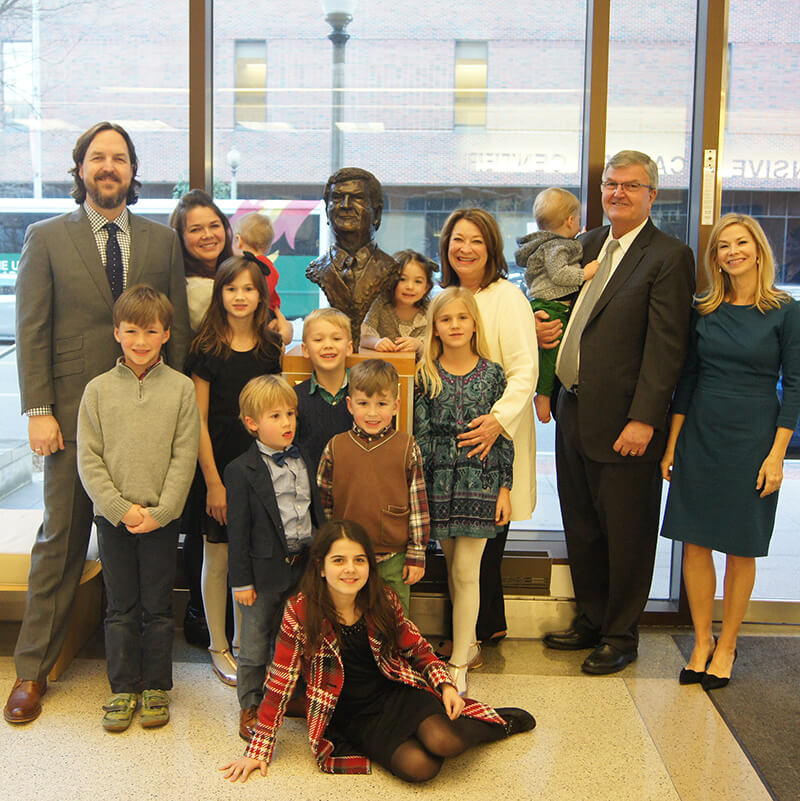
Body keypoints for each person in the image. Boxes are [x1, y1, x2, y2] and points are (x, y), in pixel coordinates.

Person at [5, 121, 190, 725]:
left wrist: (175, 409)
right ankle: (31, 671)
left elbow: (177, 333)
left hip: (148, 416)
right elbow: (31, 328)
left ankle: (144, 670)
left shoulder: (161, 242)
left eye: (119, 158)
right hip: (70, 416)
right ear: (80, 168)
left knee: (149, 543)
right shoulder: (46, 237)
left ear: (133, 171)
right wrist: (37, 412)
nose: (108, 167)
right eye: (96, 157)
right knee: (61, 539)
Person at [220, 520, 535, 784]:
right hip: (350, 713)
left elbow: (418, 647)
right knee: (421, 768)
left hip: (395, 691)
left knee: (444, 740)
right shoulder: (300, 611)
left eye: (359, 560)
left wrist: (446, 685)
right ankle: (430, 729)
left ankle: (498, 724)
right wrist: (258, 751)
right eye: (339, 560)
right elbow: (280, 683)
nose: (350, 570)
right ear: (320, 567)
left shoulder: (382, 598)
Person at [543, 150, 695, 674]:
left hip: (627, 421)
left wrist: (645, 418)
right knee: (581, 524)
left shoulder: (668, 256)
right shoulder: (585, 246)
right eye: (611, 184)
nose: (618, 193)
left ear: (652, 194)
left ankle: (620, 633)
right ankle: (590, 617)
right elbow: (561, 311)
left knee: (627, 532)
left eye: (630, 186)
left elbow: (667, 347)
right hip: (574, 409)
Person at [660, 214, 800, 690]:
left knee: (741, 546)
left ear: (758, 250)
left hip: (755, 434)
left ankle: (729, 644)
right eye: (723, 246)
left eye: (741, 243)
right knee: (695, 541)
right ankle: (701, 641)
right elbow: (688, 379)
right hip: (702, 430)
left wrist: (777, 454)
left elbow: (796, 385)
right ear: (715, 257)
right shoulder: (704, 307)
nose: (732, 251)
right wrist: (673, 444)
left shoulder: (785, 309)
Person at [77, 285, 200, 731]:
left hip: (161, 520)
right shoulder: (97, 391)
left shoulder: (181, 389)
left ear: (166, 333)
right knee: (121, 605)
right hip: (113, 519)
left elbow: (184, 456)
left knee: (158, 605)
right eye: (132, 331)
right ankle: (123, 687)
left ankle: (155, 688)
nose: (141, 340)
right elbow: (87, 457)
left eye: (151, 331)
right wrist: (116, 507)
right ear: (117, 332)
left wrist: (163, 512)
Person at [439, 207, 538, 646]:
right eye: (458, 239)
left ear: (491, 248)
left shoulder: (508, 297)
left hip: (495, 437)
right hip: (452, 445)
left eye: (476, 241)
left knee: (485, 544)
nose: (466, 248)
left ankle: (474, 637)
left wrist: (497, 421)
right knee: (460, 546)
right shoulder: (444, 297)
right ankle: (483, 629)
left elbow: (525, 370)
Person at [185, 255, 284, 685]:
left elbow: (275, 414)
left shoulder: (269, 347)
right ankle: (218, 644)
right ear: (219, 294)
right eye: (231, 289)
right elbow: (198, 422)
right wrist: (213, 482)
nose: (240, 297)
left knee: (251, 557)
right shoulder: (205, 348)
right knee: (219, 557)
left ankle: (246, 645)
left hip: (258, 474)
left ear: (261, 295)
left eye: (249, 289)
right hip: (217, 473)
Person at [414, 288, 513, 696]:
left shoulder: (492, 374)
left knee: (465, 570)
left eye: (461, 318)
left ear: (474, 323)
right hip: (439, 481)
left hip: (480, 479)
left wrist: (505, 488)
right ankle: (469, 643)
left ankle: (458, 664)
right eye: (445, 319)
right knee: (453, 568)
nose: (454, 326)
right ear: (435, 327)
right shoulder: (426, 374)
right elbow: (418, 436)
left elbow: (505, 436)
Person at [225, 375, 323, 741]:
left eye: (291, 414)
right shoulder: (240, 471)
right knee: (253, 644)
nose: (287, 423)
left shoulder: (304, 457)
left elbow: (315, 513)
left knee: (294, 638)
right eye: (276, 416)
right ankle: (251, 705)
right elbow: (237, 531)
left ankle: (291, 694)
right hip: (261, 575)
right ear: (252, 424)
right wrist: (242, 582)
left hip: (303, 570)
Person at [317, 359, 429, 616]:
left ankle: (392, 657)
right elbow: (324, 505)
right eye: (363, 403)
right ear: (349, 404)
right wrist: (325, 550)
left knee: (394, 619)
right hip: (346, 557)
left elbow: (418, 507)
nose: (372, 413)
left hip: (393, 557)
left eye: (381, 404)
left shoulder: (407, 447)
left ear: (395, 406)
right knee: (346, 616)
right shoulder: (336, 447)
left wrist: (416, 553)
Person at [516, 188, 599, 423]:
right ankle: (542, 394)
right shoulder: (557, 246)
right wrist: (585, 272)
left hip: (542, 301)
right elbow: (560, 273)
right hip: (551, 305)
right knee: (552, 352)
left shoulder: (545, 243)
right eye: (579, 221)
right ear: (570, 221)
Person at [305, 167, 400, 351]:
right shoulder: (317, 269)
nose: (345, 205)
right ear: (326, 210)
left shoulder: (390, 268)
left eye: (357, 198)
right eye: (338, 198)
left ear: (377, 213)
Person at [293, 308, 354, 471]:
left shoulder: (363, 393)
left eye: (336, 338)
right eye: (318, 339)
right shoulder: (294, 398)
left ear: (349, 348)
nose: (328, 345)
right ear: (305, 350)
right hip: (311, 488)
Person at [360, 249, 437, 357]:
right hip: (383, 367)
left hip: (419, 369)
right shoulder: (380, 303)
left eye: (418, 281)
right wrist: (376, 343)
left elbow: (437, 347)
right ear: (391, 281)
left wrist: (419, 346)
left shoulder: (430, 309)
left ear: (426, 287)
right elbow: (363, 336)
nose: (410, 287)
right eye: (402, 279)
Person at [233, 211, 293, 345]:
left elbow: (262, 294)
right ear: (267, 246)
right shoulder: (269, 266)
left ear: (239, 240)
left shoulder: (246, 266)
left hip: (261, 316)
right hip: (268, 313)